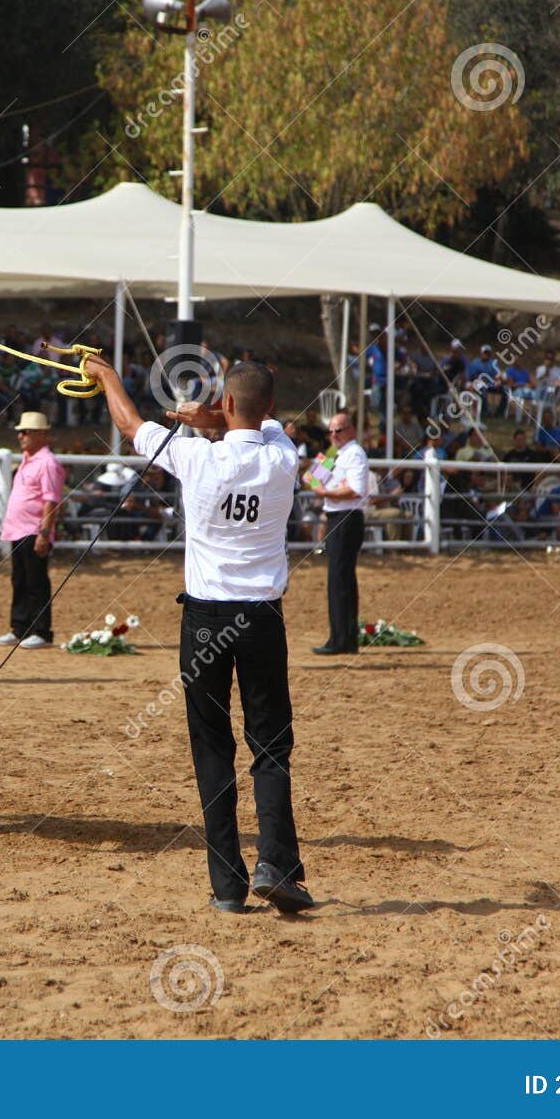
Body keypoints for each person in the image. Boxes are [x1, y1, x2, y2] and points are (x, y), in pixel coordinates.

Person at [84, 354, 313, 914]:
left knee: (212, 747)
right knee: (271, 744)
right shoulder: (284, 456)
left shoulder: (195, 456)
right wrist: (213, 417)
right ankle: (278, 865)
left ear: (227, 402)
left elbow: (130, 425)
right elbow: (261, 421)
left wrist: (107, 376)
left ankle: (228, 886)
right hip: (262, 616)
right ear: (268, 407)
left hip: (207, 617)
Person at [0, 411, 65, 649]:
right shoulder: (29, 460)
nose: (21, 436)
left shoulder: (47, 463)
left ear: (41, 435)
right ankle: (21, 627)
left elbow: (51, 500)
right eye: (20, 432)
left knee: (36, 581)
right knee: (20, 580)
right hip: (20, 529)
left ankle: (42, 631)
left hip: (34, 530)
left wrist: (44, 533)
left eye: (26, 432)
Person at [308, 412, 370, 655]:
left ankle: (342, 639)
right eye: (331, 430)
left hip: (346, 517)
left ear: (351, 430)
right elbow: (310, 478)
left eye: (339, 430)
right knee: (339, 578)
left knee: (340, 578)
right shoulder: (335, 453)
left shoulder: (354, 453)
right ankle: (343, 636)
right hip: (337, 516)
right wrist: (324, 488)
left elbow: (356, 490)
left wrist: (326, 493)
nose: (333, 434)